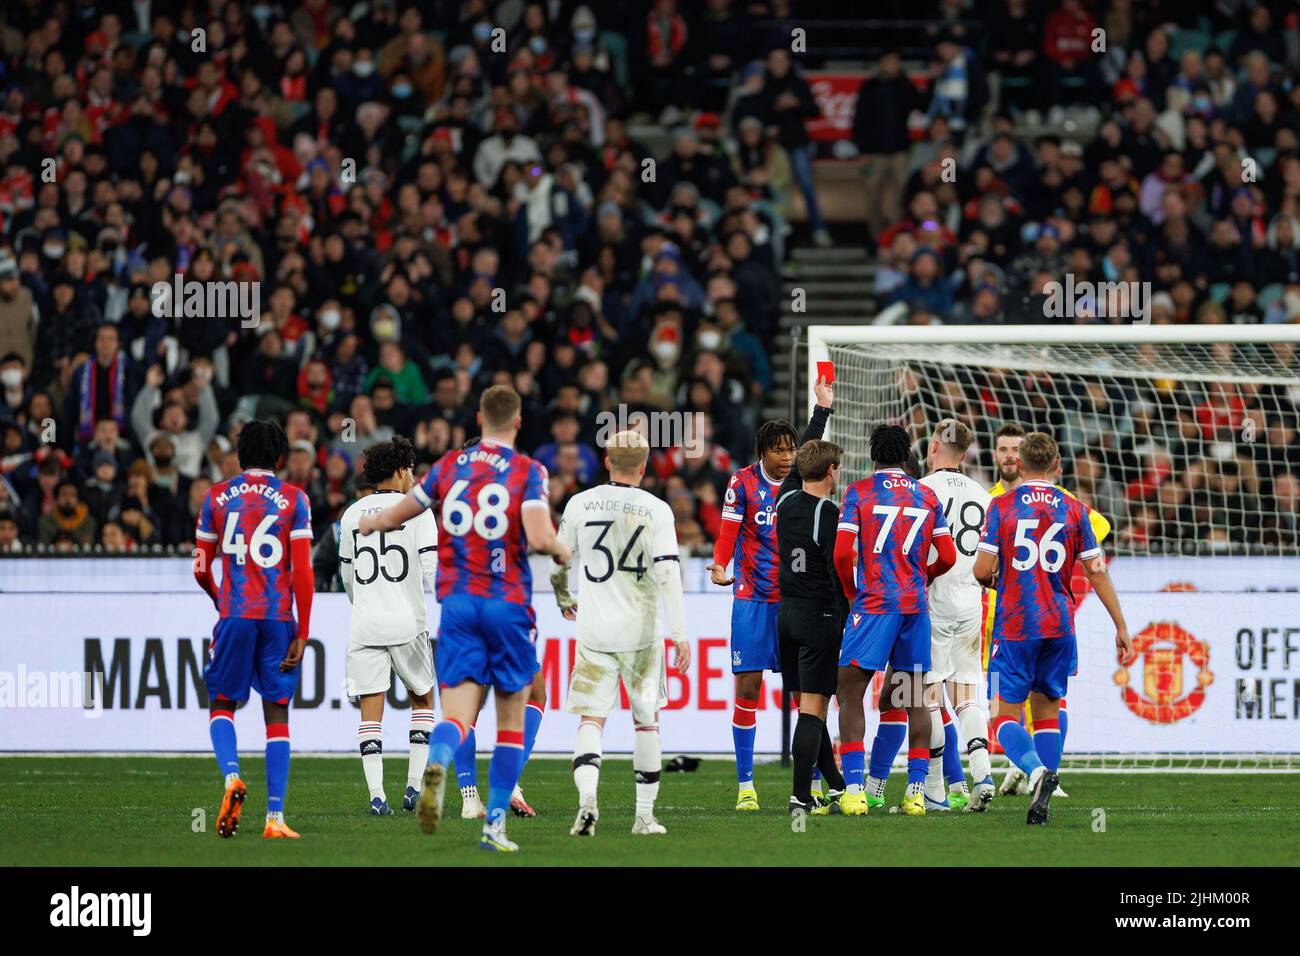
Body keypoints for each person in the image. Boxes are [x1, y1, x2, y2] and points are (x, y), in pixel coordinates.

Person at [358, 386, 570, 852]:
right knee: (511, 717)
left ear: (478, 418)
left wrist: (373, 523)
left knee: (457, 712)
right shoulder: (527, 471)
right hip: (506, 604)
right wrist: (560, 549)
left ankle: (438, 757)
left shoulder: (449, 466)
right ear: (517, 423)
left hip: (456, 605)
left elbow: (407, 508)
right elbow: (538, 535)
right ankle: (494, 826)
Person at [973, 432, 1134, 825]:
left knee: (1002, 714)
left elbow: (980, 570)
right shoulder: (1075, 509)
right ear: (1058, 466)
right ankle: (1040, 799)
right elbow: (1097, 572)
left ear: (1021, 466)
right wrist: (1121, 626)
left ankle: (1037, 772)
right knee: (1047, 711)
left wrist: (1003, 582)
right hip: (1059, 623)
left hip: (1015, 622)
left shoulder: (1002, 505)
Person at [550, 430, 690, 836]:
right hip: (642, 635)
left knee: (591, 721)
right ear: (644, 467)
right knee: (646, 723)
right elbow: (668, 573)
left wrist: (563, 598)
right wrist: (680, 633)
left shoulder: (579, 503)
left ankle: (588, 802)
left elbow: (558, 563)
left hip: (595, 631)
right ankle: (644, 817)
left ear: (606, 460)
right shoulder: (657, 509)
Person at [707, 377, 832, 812]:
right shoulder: (740, 484)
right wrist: (720, 565)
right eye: (778, 450)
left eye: (792, 450)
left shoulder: (798, 482)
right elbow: (727, 534)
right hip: (753, 600)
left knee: (808, 696)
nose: (786, 458)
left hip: (796, 602)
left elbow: (814, 440)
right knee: (748, 689)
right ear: (763, 451)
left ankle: (814, 784)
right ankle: (746, 786)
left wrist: (823, 409)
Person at [862, 419, 995, 811]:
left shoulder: (921, 492)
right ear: (967, 452)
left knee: (926, 698)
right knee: (968, 693)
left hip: (928, 604)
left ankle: (934, 790)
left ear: (934, 446)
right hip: (970, 603)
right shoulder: (984, 496)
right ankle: (982, 773)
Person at [192, 419, 315, 840]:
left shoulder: (216, 496)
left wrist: (220, 598)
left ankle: (231, 777)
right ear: (280, 457)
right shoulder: (294, 499)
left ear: (240, 455)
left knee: (222, 703)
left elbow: (201, 567)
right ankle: (275, 818)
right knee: (276, 712)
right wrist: (305, 630)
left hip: (236, 612)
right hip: (279, 618)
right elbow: (302, 571)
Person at [832, 424, 956, 817]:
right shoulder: (927, 494)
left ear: (874, 457)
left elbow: (840, 554)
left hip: (874, 604)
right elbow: (948, 557)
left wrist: (853, 593)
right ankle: (916, 792)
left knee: (850, 692)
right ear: (907, 458)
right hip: (913, 608)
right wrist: (924, 576)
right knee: (914, 697)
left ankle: (854, 791)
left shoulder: (860, 493)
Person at [337, 436, 437, 816]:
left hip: (364, 623)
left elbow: (347, 576)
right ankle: (412, 788)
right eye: (410, 468)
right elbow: (431, 570)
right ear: (399, 471)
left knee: (370, 707)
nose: (413, 476)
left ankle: (377, 795)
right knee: (423, 699)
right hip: (407, 622)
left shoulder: (351, 514)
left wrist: (363, 602)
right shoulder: (419, 512)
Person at [774, 433, 849, 818]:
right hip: (818, 615)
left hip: (785, 615)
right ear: (832, 471)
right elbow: (839, 571)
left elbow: (801, 459)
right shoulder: (831, 514)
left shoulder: (784, 501)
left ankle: (834, 785)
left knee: (808, 707)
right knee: (814, 708)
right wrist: (848, 614)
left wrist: (820, 413)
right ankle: (801, 796)